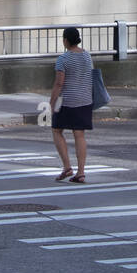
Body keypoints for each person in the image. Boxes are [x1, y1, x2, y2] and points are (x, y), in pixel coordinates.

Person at [50, 26, 93, 182]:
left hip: (68, 101)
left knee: (56, 130)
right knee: (79, 134)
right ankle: (81, 172)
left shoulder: (63, 59)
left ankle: (67, 167)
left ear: (66, 40)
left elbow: (59, 83)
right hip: (85, 100)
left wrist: (52, 101)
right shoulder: (87, 56)